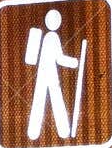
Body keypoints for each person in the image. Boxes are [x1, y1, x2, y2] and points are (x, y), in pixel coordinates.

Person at [25, 9, 81, 140]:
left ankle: (35, 132)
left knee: (40, 101)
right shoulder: (52, 37)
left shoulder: (47, 36)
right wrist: (74, 62)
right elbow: (59, 58)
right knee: (54, 100)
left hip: (43, 74)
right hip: (49, 74)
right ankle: (62, 131)